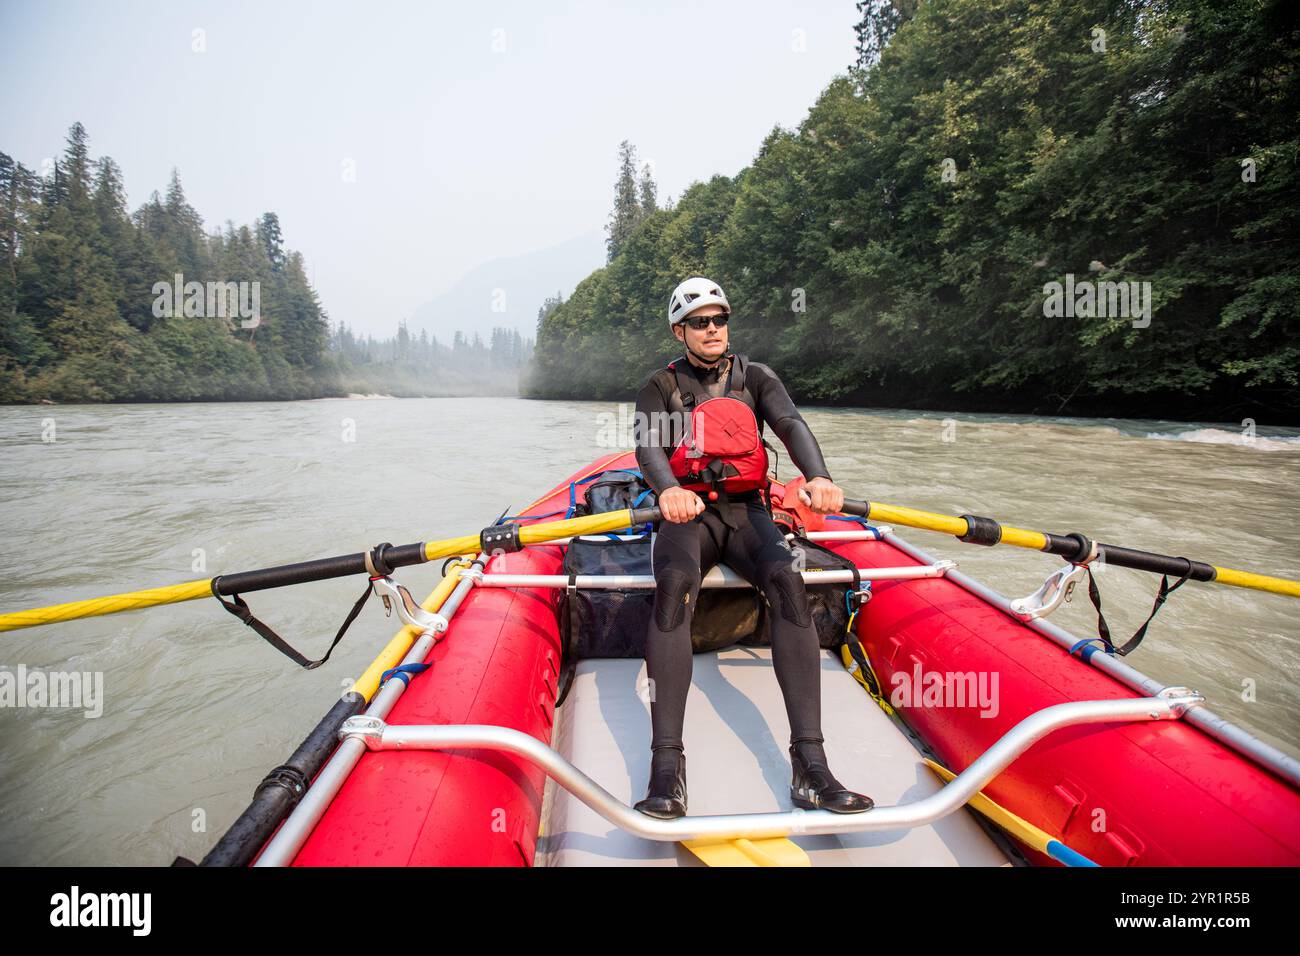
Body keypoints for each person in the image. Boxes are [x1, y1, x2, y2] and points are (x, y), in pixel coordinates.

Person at [630, 275, 874, 819]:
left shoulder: (756, 377)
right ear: (679, 331)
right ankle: (667, 770)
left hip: (748, 513)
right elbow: (647, 445)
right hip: (689, 514)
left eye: (719, 319)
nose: (712, 328)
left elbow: (789, 423)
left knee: (789, 582)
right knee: (673, 590)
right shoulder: (660, 386)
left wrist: (819, 476)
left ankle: (811, 767)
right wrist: (668, 491)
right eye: (699, 322)